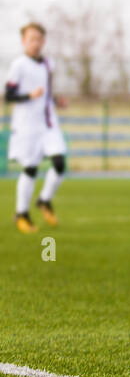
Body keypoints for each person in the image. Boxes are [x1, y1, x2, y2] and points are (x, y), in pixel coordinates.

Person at [6, 22, 69, 234]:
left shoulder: (49, 64)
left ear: (43, 41)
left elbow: (48, 92)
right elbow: (8, 95)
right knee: (30, 169)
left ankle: (44, 200)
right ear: (24, 41)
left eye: (38, 39)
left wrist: (57, 100)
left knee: (59, 163)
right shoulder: (19, 65)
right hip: (27, 126)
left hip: (48, 123)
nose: (35, 43)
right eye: (30, 39)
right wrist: (29, 96)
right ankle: (21, 213)